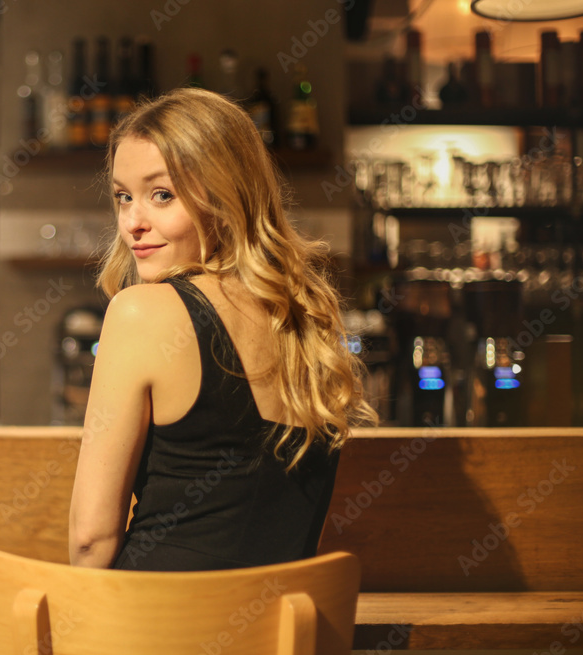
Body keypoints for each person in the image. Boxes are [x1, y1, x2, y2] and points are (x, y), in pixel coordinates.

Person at [68, 87, 377, 571]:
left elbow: (91, 540)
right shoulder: (305, 323)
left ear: (226, 196)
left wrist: (84, 634)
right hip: (278, 637)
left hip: (150, 633)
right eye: (123, 197)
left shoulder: (140, 313)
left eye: (162, 195)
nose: (132, 222)